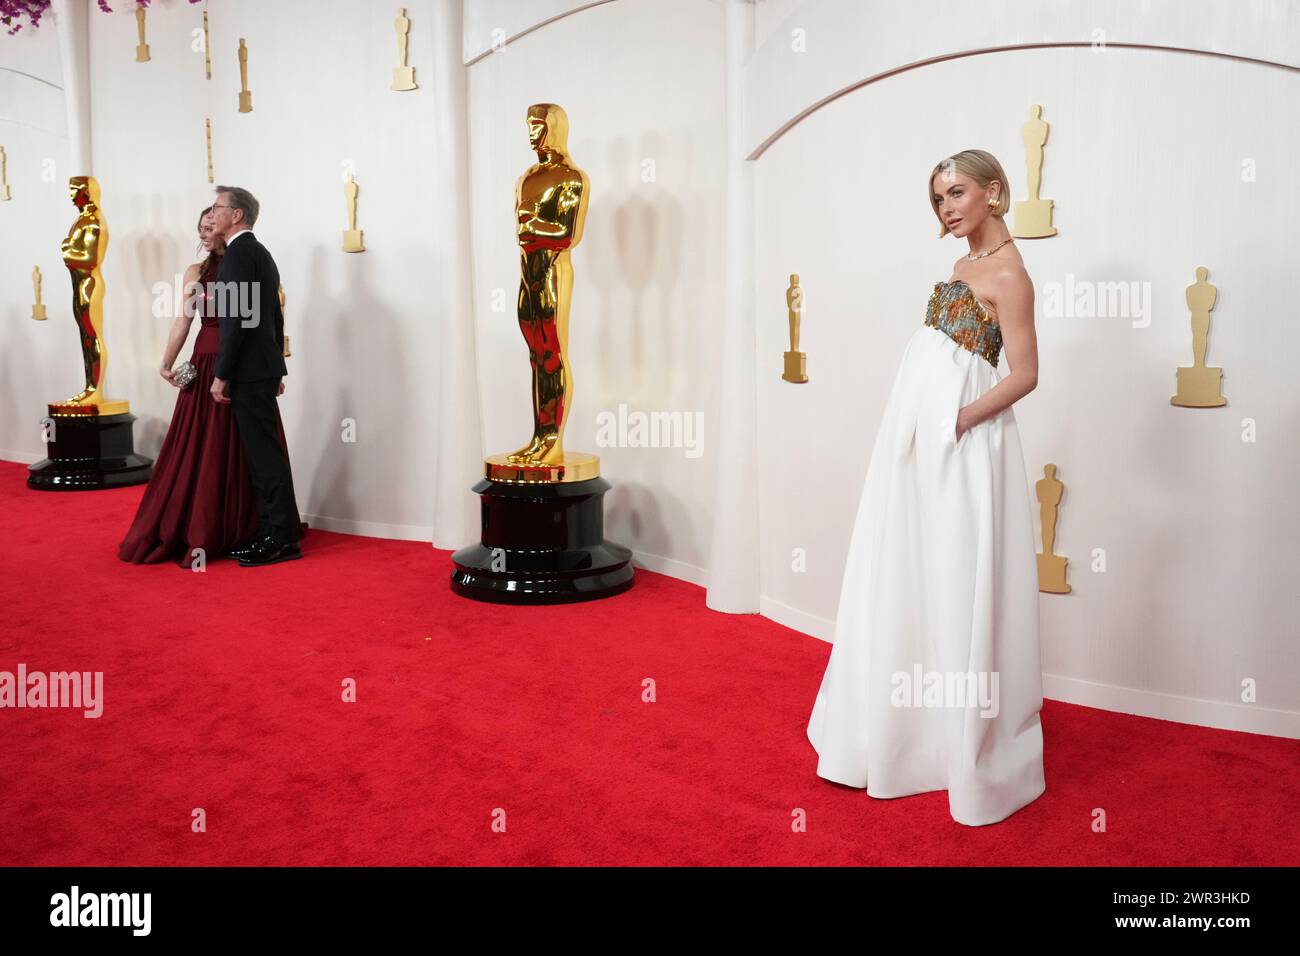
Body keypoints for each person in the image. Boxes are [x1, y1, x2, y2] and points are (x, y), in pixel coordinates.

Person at [806, 149, 1045, 826]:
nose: (947, 208)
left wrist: (957, 421)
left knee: (953, 564)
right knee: (912, 561)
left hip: (960, 442)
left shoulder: (1010, 275)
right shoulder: (961, 266)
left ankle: (960, 744)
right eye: (939, 198)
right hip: (919, 439)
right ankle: (908, 731)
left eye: (958, 192)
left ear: (995, 192)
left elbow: (1025, 373)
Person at [119, 208, 297, 568]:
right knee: (206, 449)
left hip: (242, 367)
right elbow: (182, 322)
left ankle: (261, 529)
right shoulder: (196, 272)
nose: (203, 233)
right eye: (200, 227)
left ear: (227, 226)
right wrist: (166, 363)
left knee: (254, 452)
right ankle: (213, 526)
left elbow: (267, 318)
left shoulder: (246, 262)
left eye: (210, 227)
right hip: (206, 364)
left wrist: (275, 369)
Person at [206, 185, 304, 566]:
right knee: (266, 453)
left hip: (247, 370)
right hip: (260, 368)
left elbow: (236, 321)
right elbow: (273, 316)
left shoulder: (238, 255)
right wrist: (275, 365)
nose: (212, 214)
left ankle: (279, 539)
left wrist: (221, 373)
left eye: (217, 207)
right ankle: (275, 533)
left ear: (237, 215)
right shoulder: (259, 253)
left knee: (264, 457)